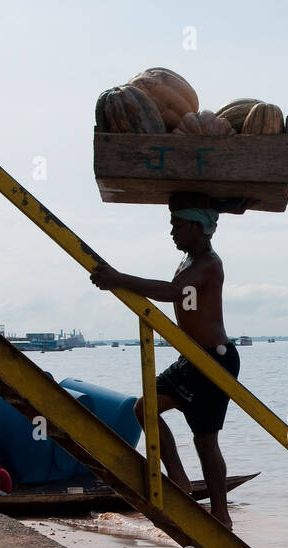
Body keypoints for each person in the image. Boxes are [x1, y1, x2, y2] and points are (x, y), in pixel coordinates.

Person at [90, 198, 238, 528]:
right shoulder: (187, 259)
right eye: (172, 224)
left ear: (199, 227)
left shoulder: (209, 264)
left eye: (178, 225)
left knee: (205, 439)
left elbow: (174, 292)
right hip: (193, 359)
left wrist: (119, 279)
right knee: (145, 408)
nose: (172, 231)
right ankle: (181, 482)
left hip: (215, 358)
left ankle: (221, 515)